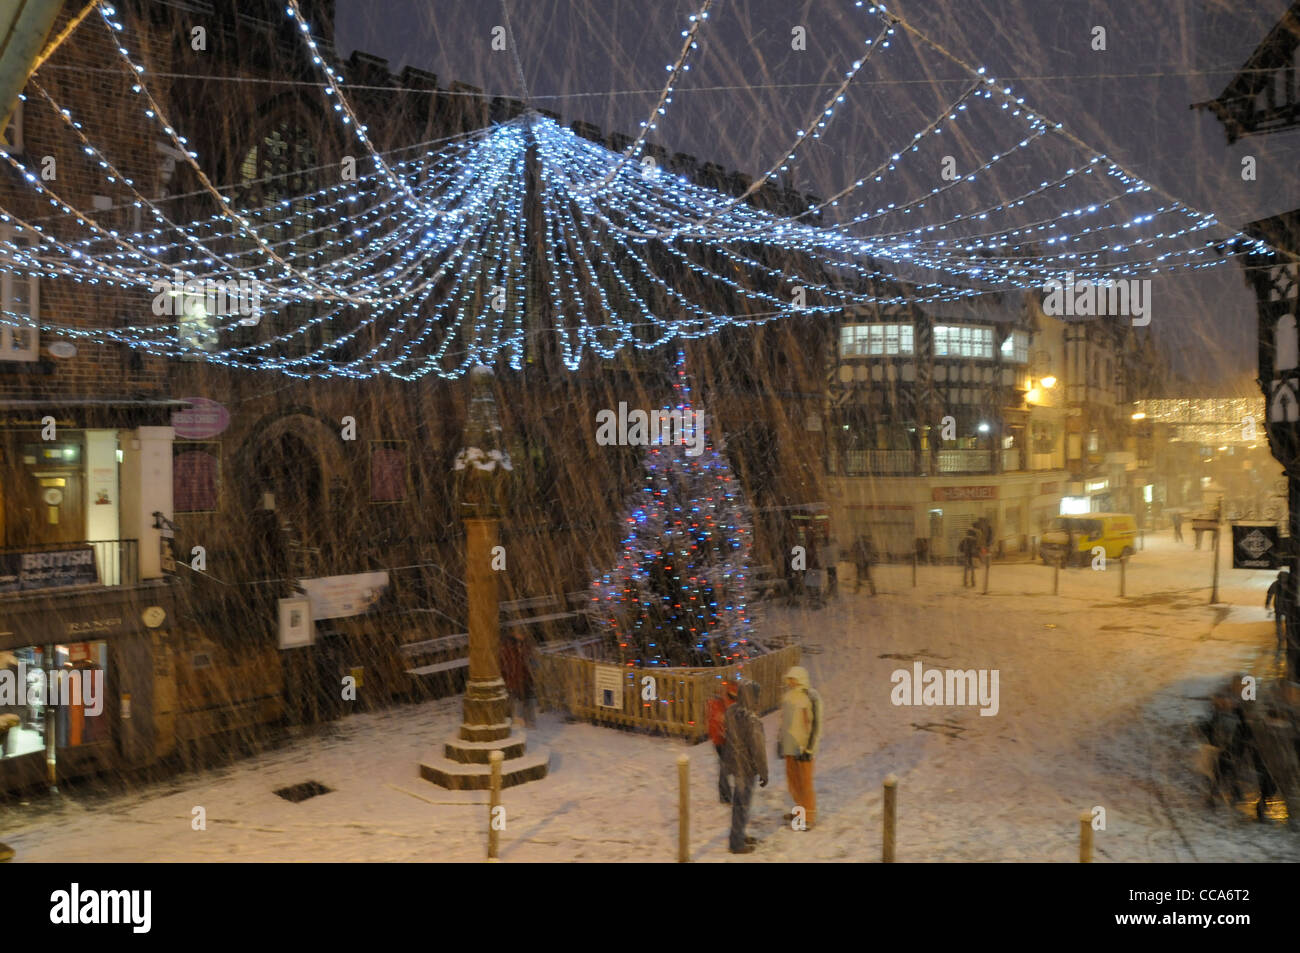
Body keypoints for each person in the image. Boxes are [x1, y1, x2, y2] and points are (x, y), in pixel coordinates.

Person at [723, 680, 768, 854]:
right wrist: (764, 772)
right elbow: (758, 750)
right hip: (747, 767)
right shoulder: (752, 720)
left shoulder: (731, 711)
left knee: (738, 804)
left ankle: (738, 835)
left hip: (735, 763)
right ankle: (736, 843)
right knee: (742, 804)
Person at [779, 666, 821, 830]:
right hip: (790, 747)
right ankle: (799, 812)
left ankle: (808, 817)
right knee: (794, 783)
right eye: (789, 679)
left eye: (793, 678)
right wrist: (781, 742)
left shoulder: (811, 697)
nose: (790, 682)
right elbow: (784, 722)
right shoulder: (787, 697)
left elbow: (815, 724)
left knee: (805, 783)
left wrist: (809, 748)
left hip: (803, 747)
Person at [706, 679, 739, 804]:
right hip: (722, 739)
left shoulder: (726, 700)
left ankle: (727, 795)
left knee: (727, 766)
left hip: (724, 738)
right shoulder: (722, 702)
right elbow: (720, 722)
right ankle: (726, 796)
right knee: (726, 767)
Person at [499, 629, 537, 727]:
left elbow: (531, 661)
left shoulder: (525, 645)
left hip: (524, 678)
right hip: (513, 678)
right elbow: (505, 664)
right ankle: (514, 721)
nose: (521, 635)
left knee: (528, 698)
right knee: (513, 699)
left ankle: (529, 721)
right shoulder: (507, 647)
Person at [1266, 570, 1291, 656]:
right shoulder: (1289, 585)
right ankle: (1284, 636)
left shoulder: (1276, 584)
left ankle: (1282, 636)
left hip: (1281, 606)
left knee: (1280, 622)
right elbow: (1270, 594)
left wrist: (1267, 603)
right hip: (1284, 607)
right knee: (1285, 622)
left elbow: (1269, 594)